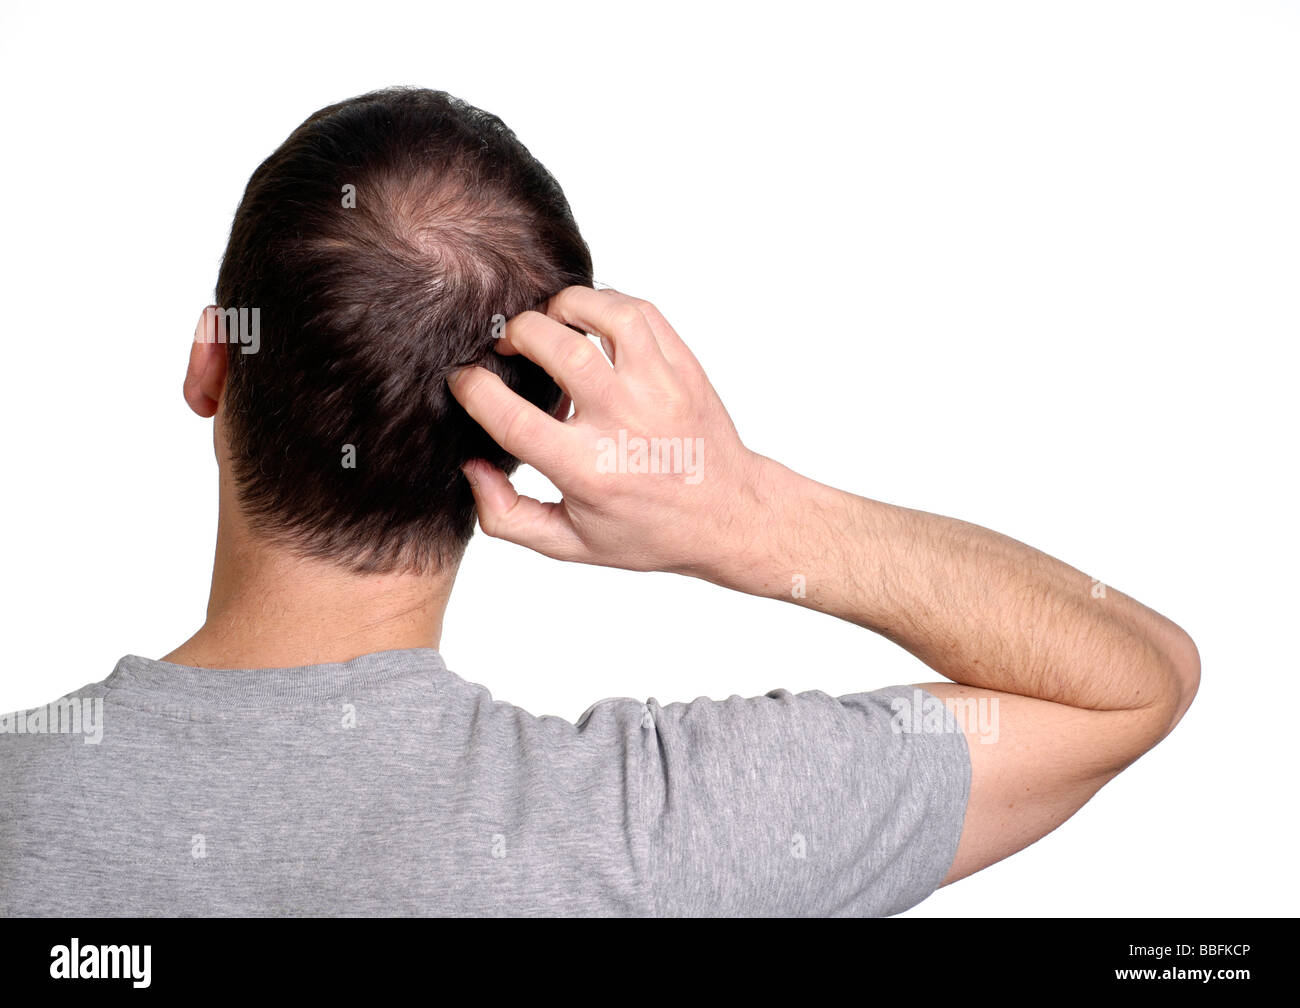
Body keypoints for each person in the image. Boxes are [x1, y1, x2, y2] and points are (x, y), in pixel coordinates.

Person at [0, 88, 1198, 917]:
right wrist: (744, 514)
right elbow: (1133, 682)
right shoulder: (652, 834)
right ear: (536, 441)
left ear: (212, 362)